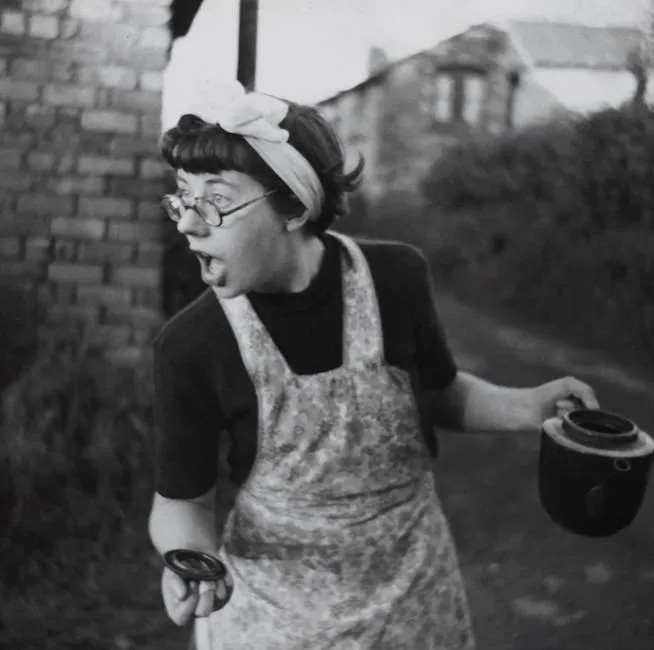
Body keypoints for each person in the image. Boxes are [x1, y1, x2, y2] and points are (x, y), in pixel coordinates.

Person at [148, 83, 600, 649]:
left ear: (293, 205)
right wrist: (187, 559)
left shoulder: (395, 277)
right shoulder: (191, 344)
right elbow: (181, 501)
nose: (189, 223)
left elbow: (437, 393)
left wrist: (528, 406)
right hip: (274, 620)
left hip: (411, 599)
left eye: (214, 199)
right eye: (183, 198)